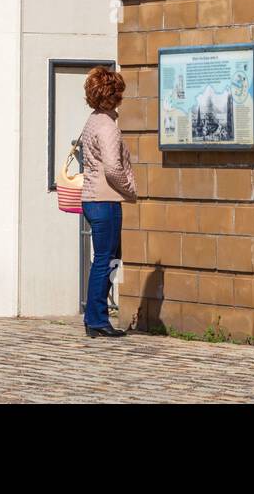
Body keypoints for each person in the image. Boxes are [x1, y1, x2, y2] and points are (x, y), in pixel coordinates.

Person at [80, 65, 137, 339]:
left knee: (104, 259)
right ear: (113, 95)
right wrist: (130, 190)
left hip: (91, 199)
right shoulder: (108, 127)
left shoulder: (92, 121)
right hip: (106, 200)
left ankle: (94, 317)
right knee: (107, 259)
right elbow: (113, 169)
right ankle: (97, 319)